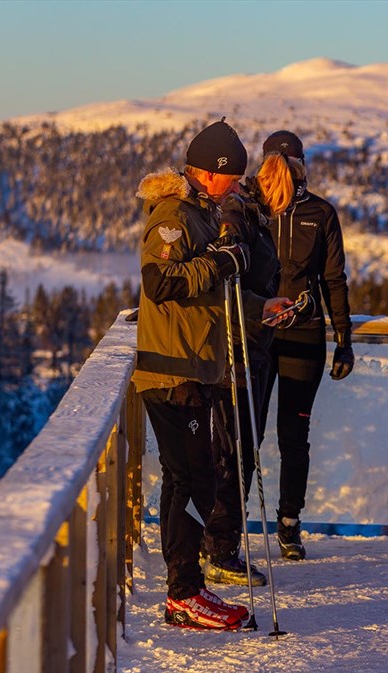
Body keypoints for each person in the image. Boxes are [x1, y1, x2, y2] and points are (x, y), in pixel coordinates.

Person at [132, 119, 293, 630]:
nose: (240, 184)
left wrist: (261, 306)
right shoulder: (174, 216)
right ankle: (184, 593)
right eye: (235, 174)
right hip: (171, 371)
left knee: (192, 479)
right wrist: (220, 263)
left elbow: (212, 297)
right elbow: (161, 283)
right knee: (192, 480)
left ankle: (189, 589)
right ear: (212, 171)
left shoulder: (202, 215)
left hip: (194, 368)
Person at [249, 130, 354, 561]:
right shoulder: (250, 210)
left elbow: (334, 280)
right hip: (257, 331)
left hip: (303, 332)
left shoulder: (320, 213)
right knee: (246, 432)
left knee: (294, 435)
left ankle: (289, 522)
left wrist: (344, 339)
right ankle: (227, 528)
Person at [200, 186, 282, 588]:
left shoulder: (255, 218)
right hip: (237, 349)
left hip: (252, 342)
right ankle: (219, 548)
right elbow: (223, 285)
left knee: (238, 449)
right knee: (234, 451)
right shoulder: (238, 216)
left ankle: (218, 543)